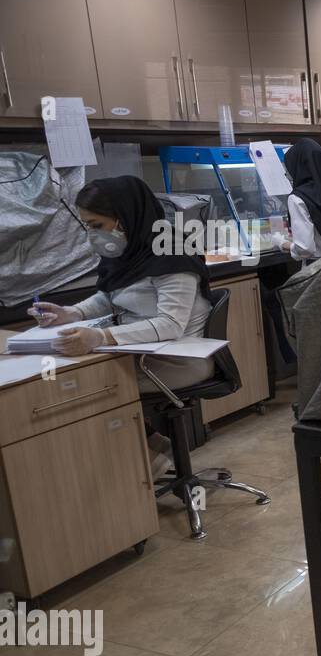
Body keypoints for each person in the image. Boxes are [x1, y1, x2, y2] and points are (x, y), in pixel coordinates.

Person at [29, 176, 214, 476]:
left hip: (180, 357)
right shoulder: (130, 250)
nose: (91, 234)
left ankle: (142, 464)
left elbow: (171, 325)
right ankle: (152, 448)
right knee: (77, 381)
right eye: (86, 225)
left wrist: (100, 336)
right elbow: (112, 296)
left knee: (88, 387)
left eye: (97, 225)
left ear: (125, 217)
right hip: (142, 352)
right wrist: (71, 313)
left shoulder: (171, 251)